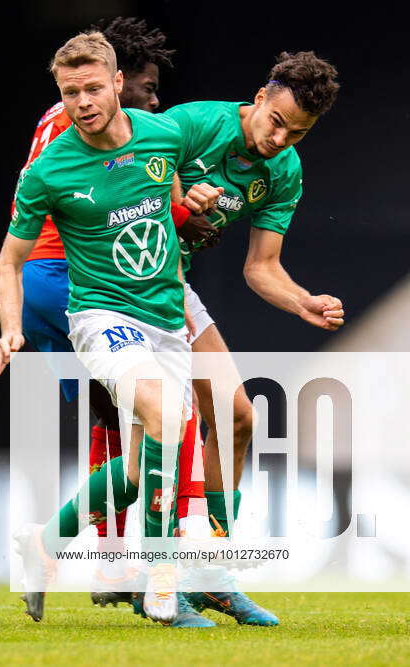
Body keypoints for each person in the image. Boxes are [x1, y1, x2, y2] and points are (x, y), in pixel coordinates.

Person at [0, 30, 221, 626]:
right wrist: (9, 329)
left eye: (93, 88)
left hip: (162, 316)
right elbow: (8, 261)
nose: (83, 102)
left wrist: (193, 205)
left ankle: (43, 543)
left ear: (119, 84)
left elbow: (172, 203)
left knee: (145, 466)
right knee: (162, 406)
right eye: (70, 92)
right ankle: (159, 579)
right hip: (99, 317)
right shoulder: (49, 169)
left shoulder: (162, 136)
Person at [163, 50, 342, 625]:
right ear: (260, 97)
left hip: (171, 289)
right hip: (119, 283)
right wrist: (177, 203)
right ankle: (140, 573)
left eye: (299, 133)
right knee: (155, 431)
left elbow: (261, 267)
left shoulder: (284, 172)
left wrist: (303, 301)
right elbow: (122, 192)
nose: (281, 138)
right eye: (276, 121)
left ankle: (211, 573)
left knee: (238, 417)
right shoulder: (195, 125)